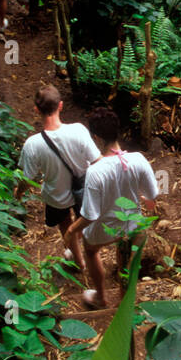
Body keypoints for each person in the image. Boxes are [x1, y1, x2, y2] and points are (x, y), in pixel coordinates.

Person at [67, 106, 159, 308]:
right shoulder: (138, 160)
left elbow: (90, 215)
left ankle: (100, 297)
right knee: (125, 262)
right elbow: (152, 197)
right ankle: (126, 303)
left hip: (104, 230)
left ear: (97, 139)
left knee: (91, 251)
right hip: (132, 224)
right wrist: (141, 197)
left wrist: (72, 230)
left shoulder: (95, 172)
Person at [15, 86, 100, 273]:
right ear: (60, 106)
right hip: (83, 188)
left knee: (65, 224)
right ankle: (91, 255)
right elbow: (97, 160)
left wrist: (19, 192)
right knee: (83, 221)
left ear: (36, 110)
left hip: (56, 195)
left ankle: (79, 262)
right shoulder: (78, 130)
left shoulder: (32, 144)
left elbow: (27, 178)